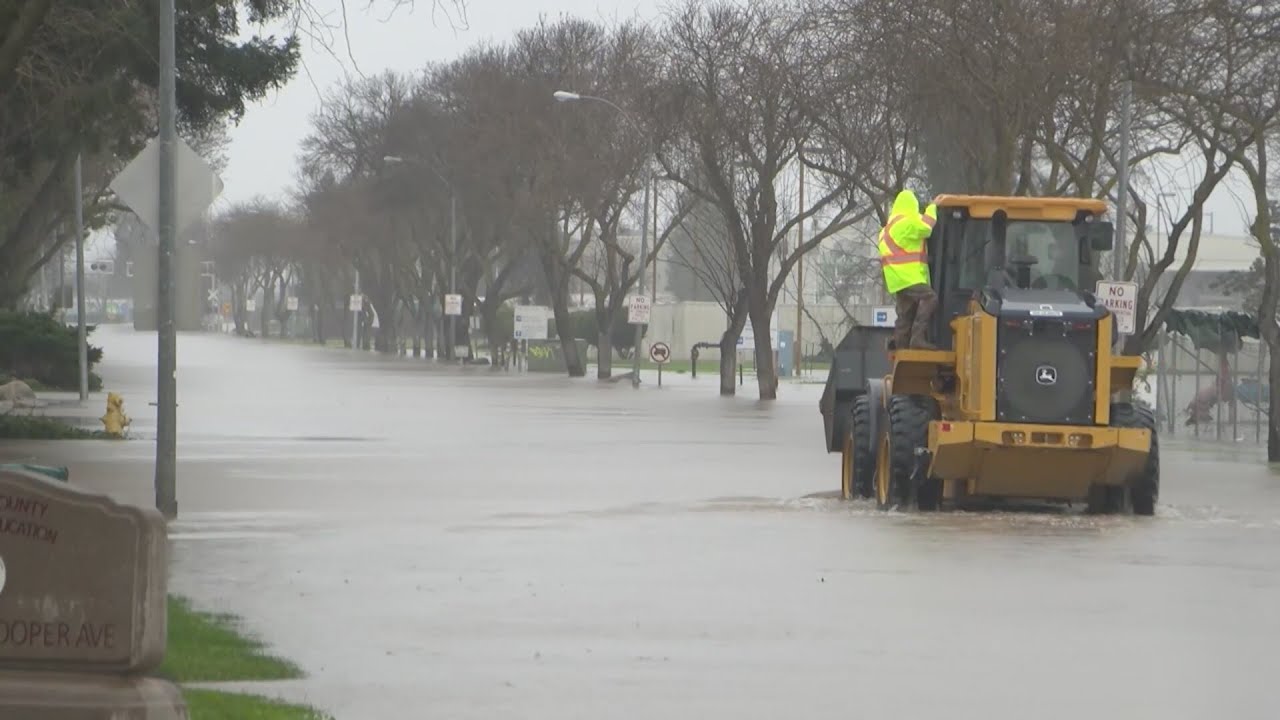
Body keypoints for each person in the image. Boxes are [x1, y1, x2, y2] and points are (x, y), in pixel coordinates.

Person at [878, 190, 938, 350]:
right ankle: (917, 339)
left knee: (905, 313)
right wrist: (932, 207)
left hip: (896, 280)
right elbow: (926, 227)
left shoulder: (886, 229)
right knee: (929, 298)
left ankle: (899, 343)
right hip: (909, 277)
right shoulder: (906, 223)